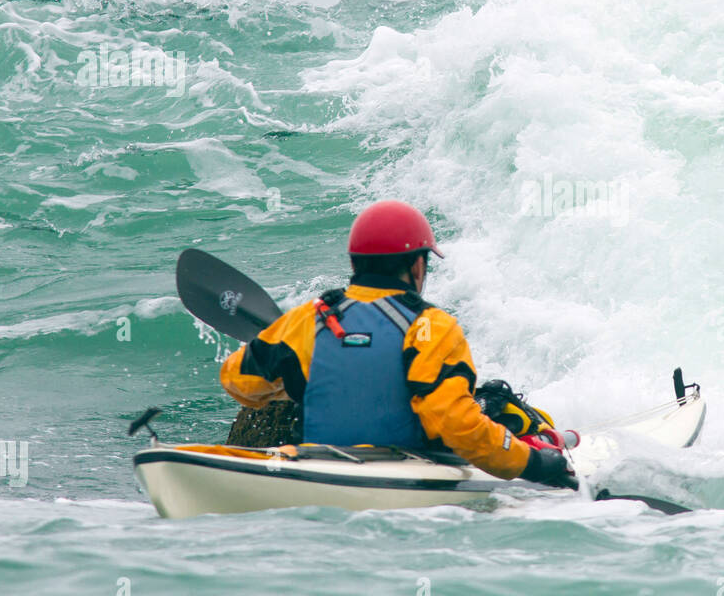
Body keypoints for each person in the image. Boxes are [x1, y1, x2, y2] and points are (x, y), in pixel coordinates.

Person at [219, 200, 577, 489]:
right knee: (498, 405)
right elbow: (456, 424)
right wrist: (531, 464)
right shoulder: (431, 326)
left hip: (315, 463)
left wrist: (303, 375)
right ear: (417, 267)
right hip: (406, 473)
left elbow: (238, 382)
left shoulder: (308, 320)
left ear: (354, 262)